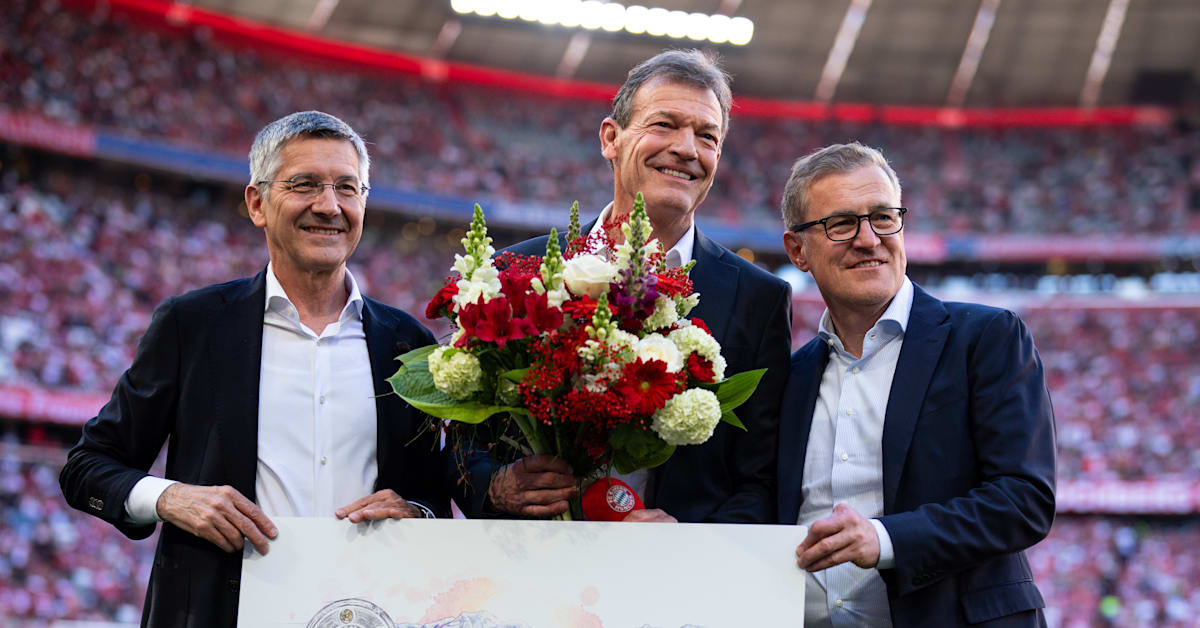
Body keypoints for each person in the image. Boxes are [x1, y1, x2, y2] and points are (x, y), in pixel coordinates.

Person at [59, 111, 450, 627]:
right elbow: (87, 466)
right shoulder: (192, 325)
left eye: (347, 188)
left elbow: (432, 497)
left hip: (373, 609)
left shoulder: (409, 343)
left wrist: (417, 513)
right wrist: (171, 497)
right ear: (257, 203)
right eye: (304, 184)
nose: (328, 206)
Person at [456, 49, 793, 524]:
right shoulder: (516, 271)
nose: (687, 149)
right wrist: (497, 487)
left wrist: (690, 539)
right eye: (665, 125)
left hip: (673, 584)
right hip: (527, 573)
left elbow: (760, 480)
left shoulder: (760, 299)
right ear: (611, 138)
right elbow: (464, 445)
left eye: (707, 136)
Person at [776, 142, 1056, 627]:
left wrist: (885, 540)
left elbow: (1024, 499)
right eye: (841, 224)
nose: (869, 239)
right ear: (798, 250)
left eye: (884, 217)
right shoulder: (791, 377)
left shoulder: (987, 338)